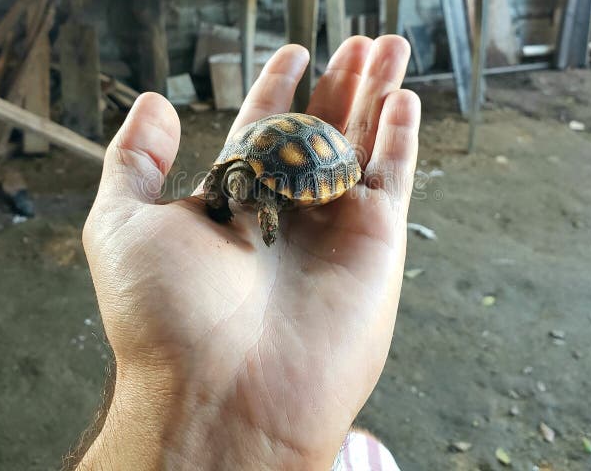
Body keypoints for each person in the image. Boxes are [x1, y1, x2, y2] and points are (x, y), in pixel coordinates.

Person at [74, 35, 420, 470]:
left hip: (310, 153)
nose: (236, 193)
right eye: (232, 186)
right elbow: (223, 188)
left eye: (240, 188)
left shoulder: (266, 196)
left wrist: (268, 221)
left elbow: (266, 204)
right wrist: (217, 207)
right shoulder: (231, 177)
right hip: (256, 154)